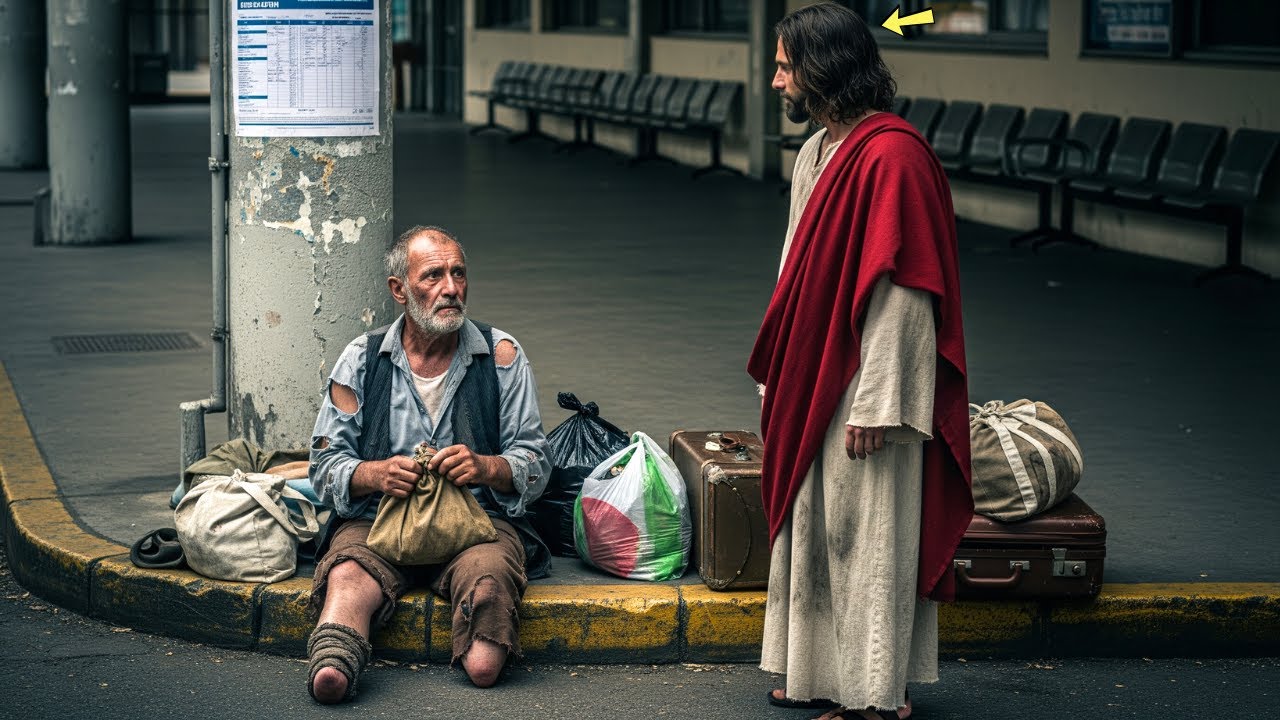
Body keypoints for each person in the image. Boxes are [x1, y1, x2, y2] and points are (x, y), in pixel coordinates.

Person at [745, 4, 973, 719]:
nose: (777, 80)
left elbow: (908, 288)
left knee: (865, 537)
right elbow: (795, 272)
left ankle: (876, 696)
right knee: (814, 528)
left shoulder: (894, 155)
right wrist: (781, 369)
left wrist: (881, 400)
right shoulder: (819, 151)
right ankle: (816, 674)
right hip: (815, 368)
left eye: (785, 66)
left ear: (822, 69)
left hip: (870, 382)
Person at [305, 225, 552, 703]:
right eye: (433, 276)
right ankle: (335, 660)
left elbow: (536, 460)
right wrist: (373, 474)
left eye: (458, 274)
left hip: (478, 525)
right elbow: (323, 464)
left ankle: (478, 639)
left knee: (484, 663)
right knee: (348, 576)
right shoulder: (361, 359)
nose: (451, 289)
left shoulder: (501, 356)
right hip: (376, 522)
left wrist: (486, 468)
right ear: (399, 290)